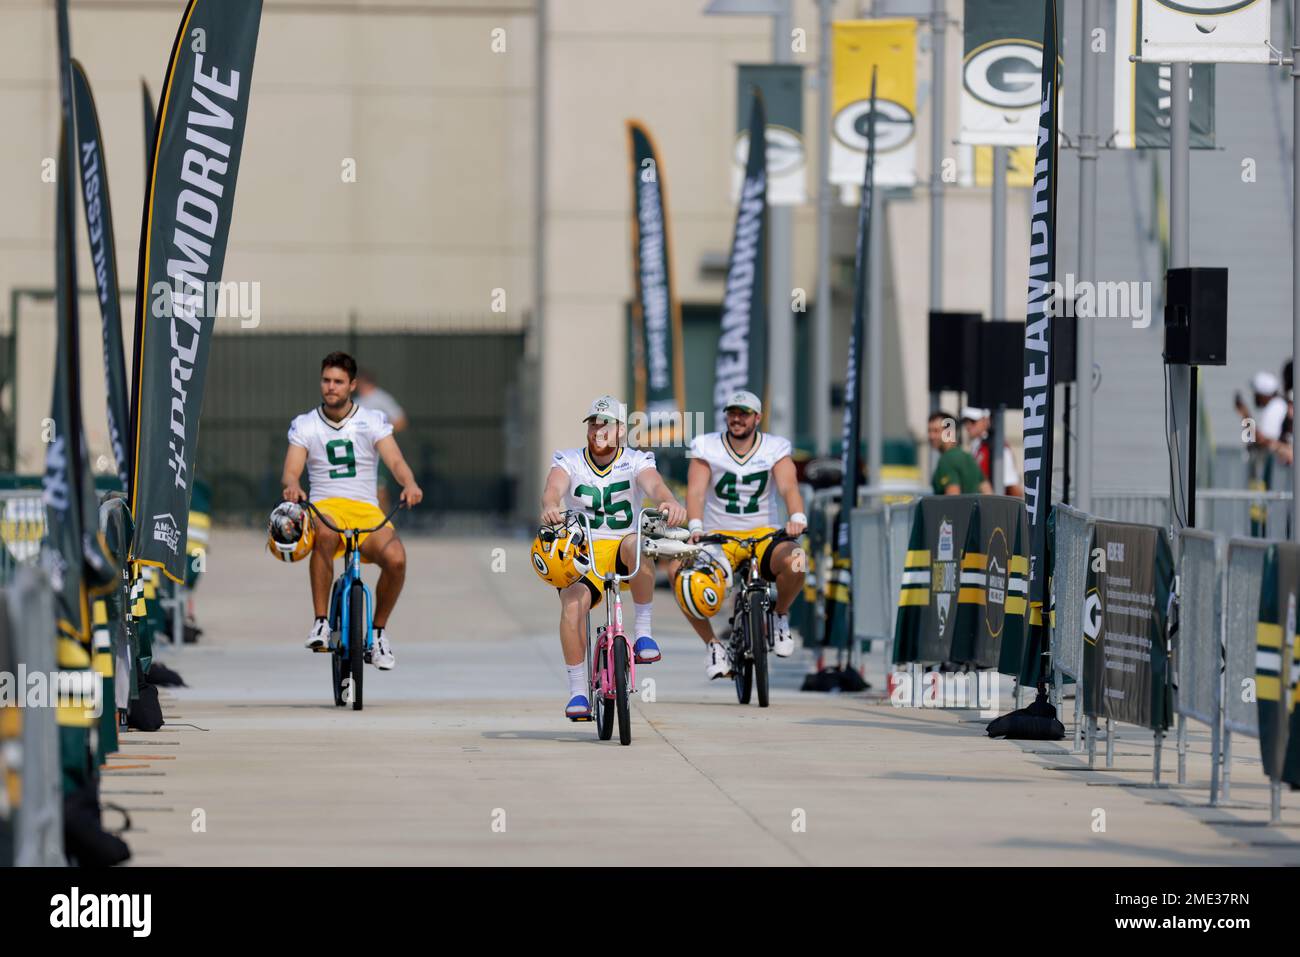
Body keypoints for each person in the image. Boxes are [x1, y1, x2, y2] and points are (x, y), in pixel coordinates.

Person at [539, 395, 686, 720]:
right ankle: (578, 691)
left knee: (639, 542)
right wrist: (550, 505)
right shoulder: (571, 460)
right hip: (584, 551)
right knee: (572, 606)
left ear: (621, 429)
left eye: (605, 423)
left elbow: (655, 485)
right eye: (593, 423)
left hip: (622, 548)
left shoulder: (635, 460)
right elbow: (553, 488)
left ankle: (643, 633)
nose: (598, 429)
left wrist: (669, 501)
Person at [280, 352, 423, 670]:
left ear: (352, 385)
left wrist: (409, 483)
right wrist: (292, 485)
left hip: (365, 509)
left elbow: (395, 461)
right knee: (326, 534)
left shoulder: (370, 420)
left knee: (397, 559)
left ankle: (379, 633)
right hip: (324, 507)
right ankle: (320, 623)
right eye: (326, 380)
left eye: (338, 382)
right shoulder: (306, 424)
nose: (331, 387)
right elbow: (291, 469)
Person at [680, 390, 807, 678]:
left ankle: (779, 616)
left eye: (744, 413)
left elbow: (788, 486)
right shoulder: (707, 446)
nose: (737, 419)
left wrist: (797, 516)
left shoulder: (774, 447)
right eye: (732, 412)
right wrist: (696, 526)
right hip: (717, 537)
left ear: (757, 418)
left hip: (763, 535)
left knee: (798, 559)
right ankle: (713, 645)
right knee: (684, 577)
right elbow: (697, 490)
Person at [960, 406, 1024, 497]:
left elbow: (1013, 487)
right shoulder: (977, 446)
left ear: (986, 420)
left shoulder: (999, 449)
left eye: (973, 421)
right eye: (965, 422)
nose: (968, 426)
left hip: (994, 507)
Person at [928, 411, 990, 495]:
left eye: (936, 431)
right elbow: (988, 492)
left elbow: (952, 500)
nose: (931, 436)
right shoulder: (968, 456)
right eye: (929, 431)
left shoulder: (947, 460)